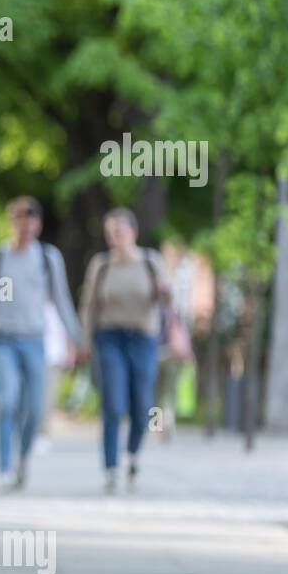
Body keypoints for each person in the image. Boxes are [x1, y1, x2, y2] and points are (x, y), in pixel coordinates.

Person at [0, 196, 79, 490]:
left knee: (36, 409)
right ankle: (3, 465)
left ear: (38, 225)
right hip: (2, 342)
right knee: (8, 400)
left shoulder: (48, 259)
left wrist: (77, 338)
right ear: (11, 223)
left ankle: (22, 459)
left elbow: (62, 300)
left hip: (34, 341)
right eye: (19, 222)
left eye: (31, 223)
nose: (25, 229)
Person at [77, 207, 171, 493]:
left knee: (142, 405)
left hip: (143, 339)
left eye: (120, 232)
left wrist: (166, 291)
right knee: (113, 403)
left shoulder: (151, 262)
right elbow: (90, 305)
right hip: (110, 337)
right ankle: (110, 467)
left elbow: (167, 301)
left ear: (133, 233)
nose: (114, 238)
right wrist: (84, 341)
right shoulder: (101, 265)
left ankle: (132, 455)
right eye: (110, 233)